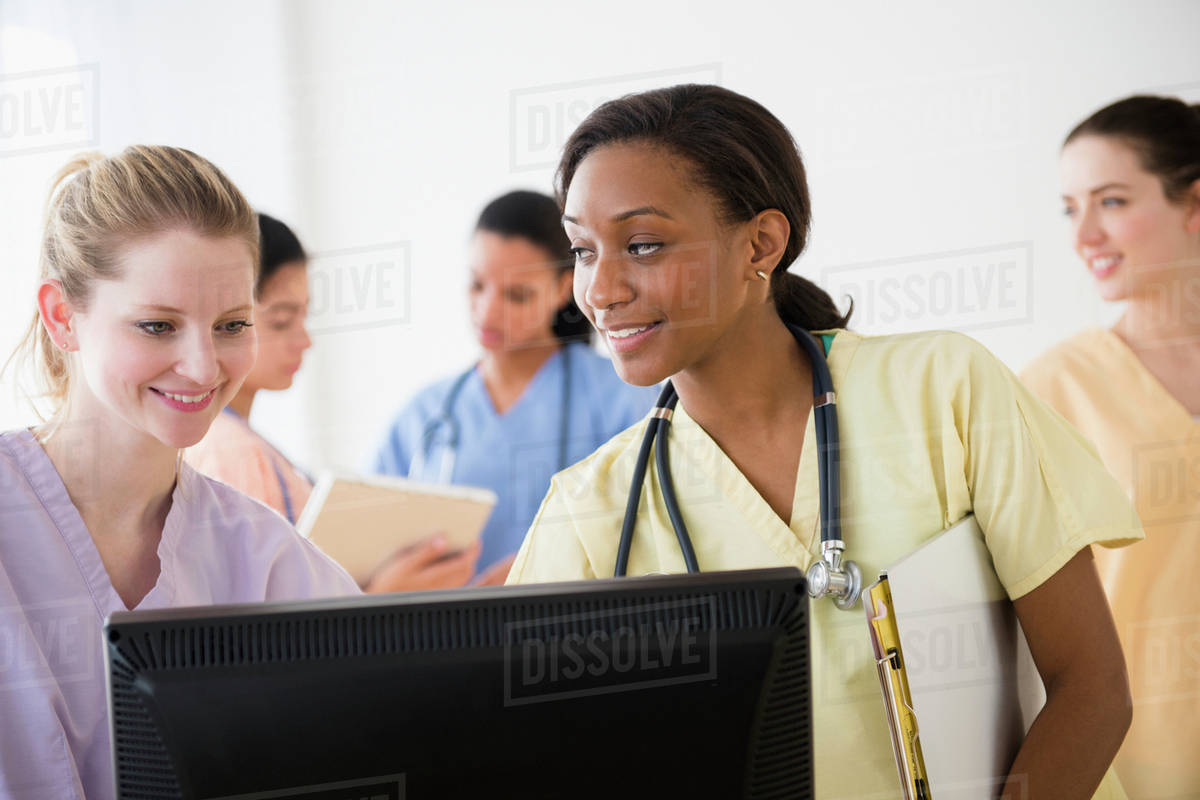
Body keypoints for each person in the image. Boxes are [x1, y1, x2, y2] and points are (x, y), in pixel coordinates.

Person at [507, 85, 1140, 799]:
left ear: (761, 243)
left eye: (643, 245)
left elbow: (1091, 687)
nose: (601, 290)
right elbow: (535, 755)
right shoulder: (588, 509)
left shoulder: (944, 390)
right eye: (583, 251)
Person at [0, 146, 361, 799]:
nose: (202, 367)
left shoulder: (266, 559)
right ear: (62, 317)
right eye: (158, 325)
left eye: (232, 325)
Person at [1021, 95, 1200, 799]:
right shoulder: (1052, 390)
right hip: (1140, 769)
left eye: (1113, 201)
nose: (1083, 235)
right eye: (1071, 208)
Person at [371, 190, 657, 584]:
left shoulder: (624, 397)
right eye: (477, 286)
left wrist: (550, 562)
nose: (487, 311)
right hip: (450, 636)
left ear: (562, 289)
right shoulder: (425, 415)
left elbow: (656, 533)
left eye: (516, 295)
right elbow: (365, 557)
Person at [187, 213, 481, 592]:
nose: (304, 340)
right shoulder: (231, 452)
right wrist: (381, 599)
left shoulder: (239, 443)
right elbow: (262, 633)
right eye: (281, 321)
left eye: (303, 316)